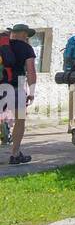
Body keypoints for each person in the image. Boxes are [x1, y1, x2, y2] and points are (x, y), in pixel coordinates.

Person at [2, 24, 39, 165]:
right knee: (20, 120)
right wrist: (32, 91)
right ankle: (15, 154)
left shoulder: (2, 46)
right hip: (16, 87)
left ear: (13, 33)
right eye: (27, 35)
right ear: (24, 34)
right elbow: (31, 72)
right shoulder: (26, 48)